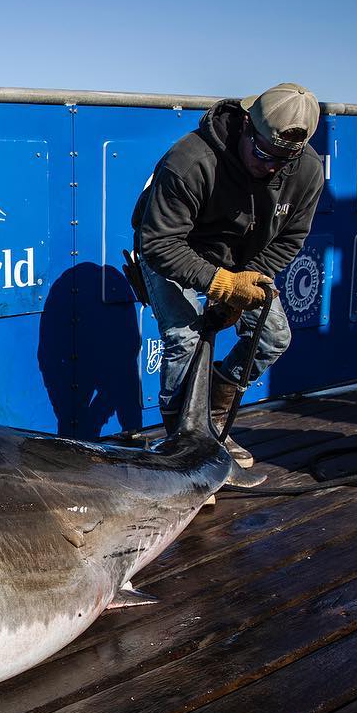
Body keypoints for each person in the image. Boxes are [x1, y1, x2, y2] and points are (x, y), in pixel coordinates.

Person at [132, 82, 324, 469]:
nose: (270, 167)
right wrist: (221, 284)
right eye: (263, 154)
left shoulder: (307, 171)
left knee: (272, 337)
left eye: (282, 162)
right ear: (247, 127)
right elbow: (159, 243)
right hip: (172, 250)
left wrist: (242, 285)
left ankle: (214, 418)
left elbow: (291, 239)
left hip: (241, 260)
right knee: (185, 339)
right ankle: (181, 446)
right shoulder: (190, 160)